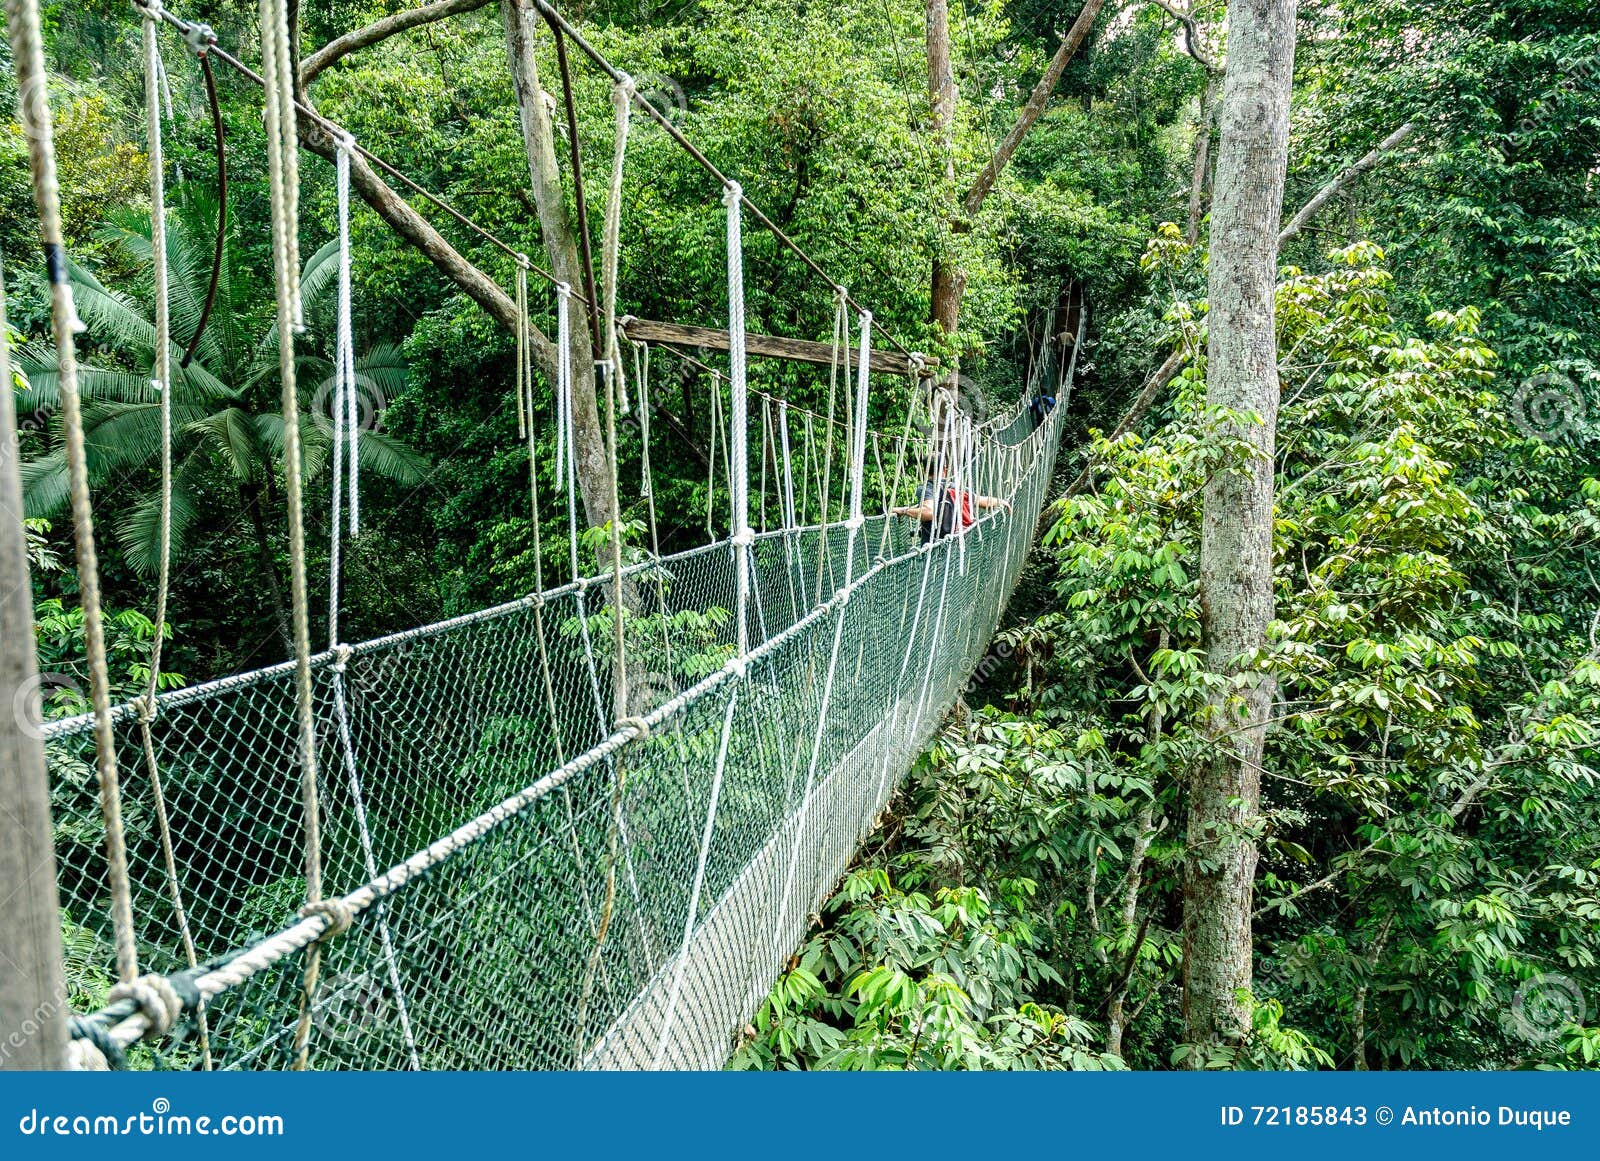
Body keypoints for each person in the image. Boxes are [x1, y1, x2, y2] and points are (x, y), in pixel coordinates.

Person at [893, 459, 1010, 544]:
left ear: (925, 470)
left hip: (933, 546)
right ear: (945, 469)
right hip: (956, 543)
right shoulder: (956, 487)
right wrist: (1000, 501)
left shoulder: (926, 488)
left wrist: (903, 510)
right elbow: (980, 500)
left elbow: (929, 513)